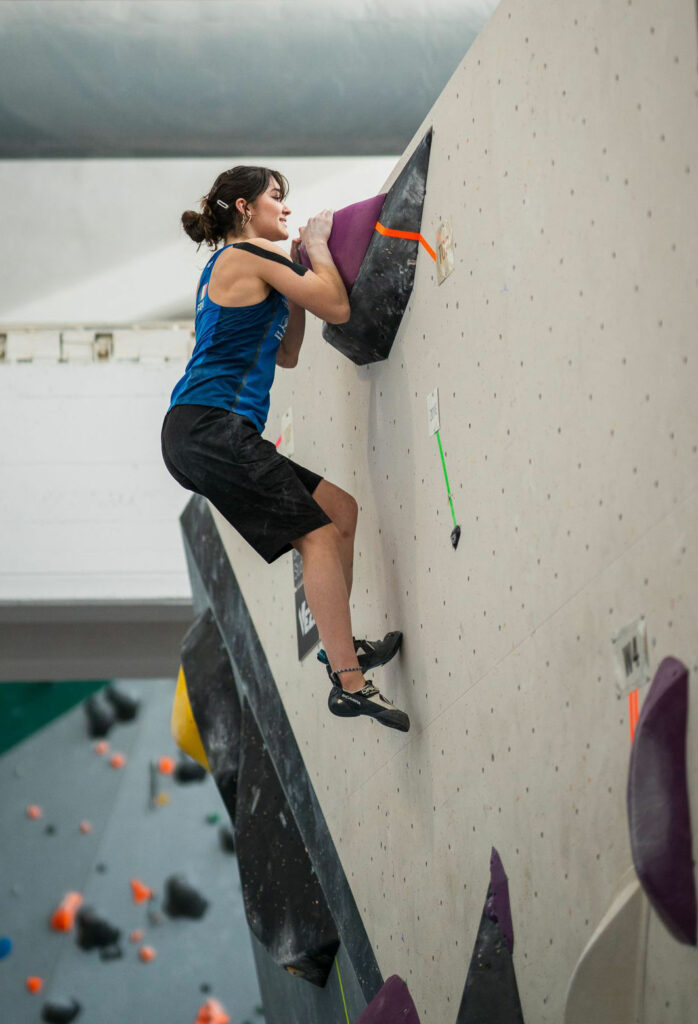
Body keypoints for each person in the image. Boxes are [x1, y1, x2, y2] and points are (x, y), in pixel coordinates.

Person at [161, 166, 409, 732]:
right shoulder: (243, 256)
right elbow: (338, 308)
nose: (287, 211)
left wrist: (297, 280)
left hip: (210, 432)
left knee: (339, 511)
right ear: (245, 208)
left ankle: (340, 647)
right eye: (278, 199)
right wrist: (319, 250)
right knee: (317, 533)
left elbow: (289, 352)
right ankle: (349, 683)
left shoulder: (247, 269)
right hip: (208, 428)